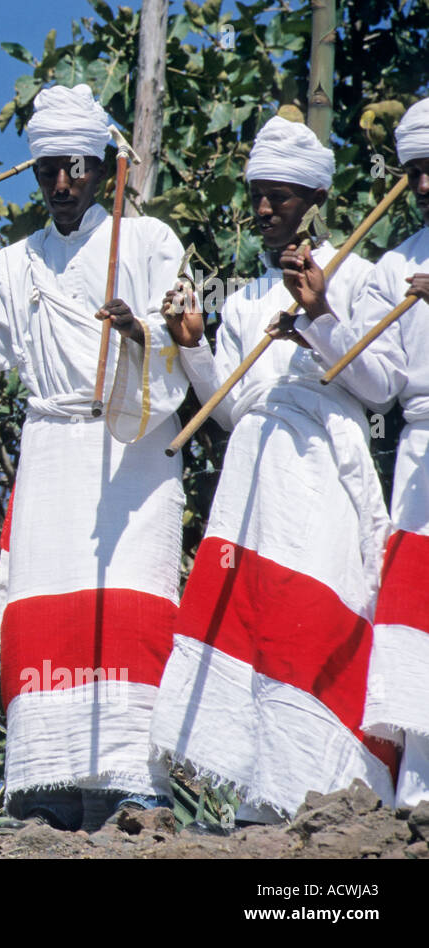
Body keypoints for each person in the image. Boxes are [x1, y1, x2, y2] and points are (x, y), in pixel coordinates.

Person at [0, 84, 191, 832]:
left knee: (128, 609)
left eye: (76, 168)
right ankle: (47, 782)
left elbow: (184, 335)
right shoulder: (16, 264)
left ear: (106, 164)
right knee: (48, 618)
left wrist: (140, 333)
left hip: (129, 452)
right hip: (49, 451)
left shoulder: (148, 243)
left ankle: (134, 782)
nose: (63, 185)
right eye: (48, 171)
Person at [150, 115, 397, 821]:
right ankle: (263, 802)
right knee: (256, 628)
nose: (263, 210)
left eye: (279, 197)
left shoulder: (357, 273)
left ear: (313, 199)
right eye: (256, 196)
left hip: (320, 470)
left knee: (309, 624)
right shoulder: (244, 298)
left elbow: (380, 387)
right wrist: (194, 347)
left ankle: (317, 793)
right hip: (252, 484)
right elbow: (227, 410)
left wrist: (320, 314)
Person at [343, 97, 429, 810]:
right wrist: (319, 323)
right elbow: (377, 389)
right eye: (414, 173)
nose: (425, 186)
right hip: (419, 457)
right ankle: (419, 800)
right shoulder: (392, 268)